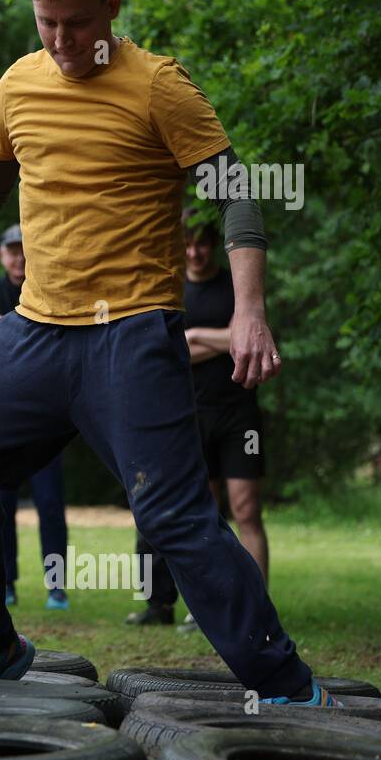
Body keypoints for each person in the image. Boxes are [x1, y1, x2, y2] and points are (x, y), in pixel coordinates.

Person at [0, 0, 336, 707]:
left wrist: (249, 309)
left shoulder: (159, 86)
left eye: (77, 23)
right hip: (33, 332)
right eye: (46, 23)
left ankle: (288, 685)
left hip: (133, 336)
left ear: (112, 6)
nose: (62, 41)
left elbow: (238, 194)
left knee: (174, 513)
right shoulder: (18, 84)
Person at [128, 208, 271, 630]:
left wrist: (194, 336)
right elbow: (165, 352)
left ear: (214, 246)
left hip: (238, 412)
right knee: (203, 512)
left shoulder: (236, 288)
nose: (194, 252)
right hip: (188, 414)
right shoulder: (169, 290)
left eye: (202, 244)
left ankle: (257, 608)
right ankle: (204, 606)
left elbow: (252, 337)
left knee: (246, 509)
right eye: (187, 244)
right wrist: (218, 339)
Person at [0, 223, 71, 610]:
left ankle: (57, 586)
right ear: (1, 255)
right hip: (2, 414)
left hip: (49, 415)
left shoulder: (52, 287)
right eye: (12, 251)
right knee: (1, 502)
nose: (19, 257)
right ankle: (6, 582)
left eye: (25, 249)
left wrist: (5, 329)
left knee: (50, 503)